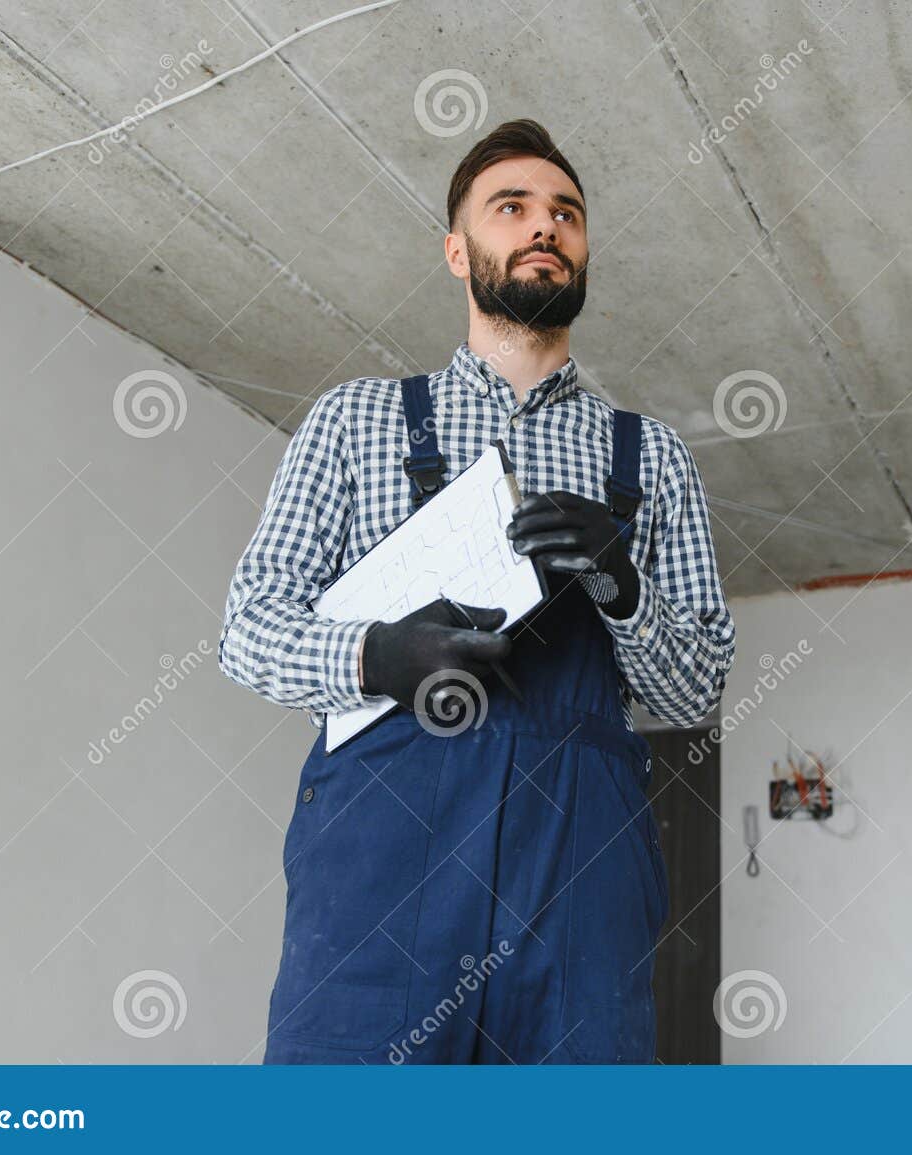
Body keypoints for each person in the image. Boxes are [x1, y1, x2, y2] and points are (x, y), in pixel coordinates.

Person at [219, 118, 735, 1063]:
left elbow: (694, 691)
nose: (545, 226)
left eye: (566, 214)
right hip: (384, 878)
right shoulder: (358, 421)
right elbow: (249, 631)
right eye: (512, 208)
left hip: (582, 878)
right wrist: (380, 653)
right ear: (458, 250)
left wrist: (624, 590)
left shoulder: (652, 457)